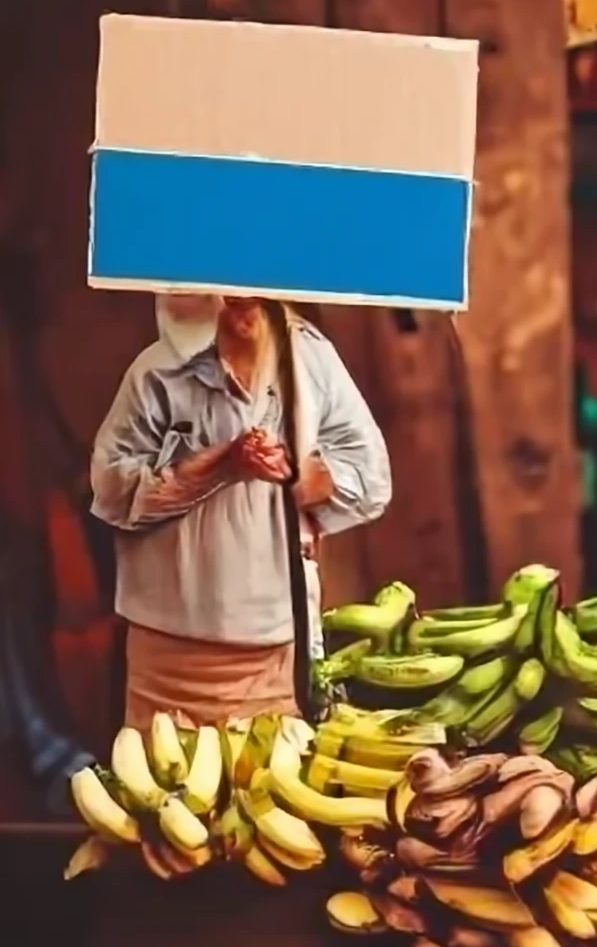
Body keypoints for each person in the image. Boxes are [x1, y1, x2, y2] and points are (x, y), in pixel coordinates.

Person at [91, 295, 391, 728]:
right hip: (169, 654)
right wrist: (216, 468)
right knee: (164, 781)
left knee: (271, 778)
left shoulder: (310, 360)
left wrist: (302, 473)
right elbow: (111, 488)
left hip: (273, 647)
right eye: (223, 291)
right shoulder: (157, 371)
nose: (239, 301)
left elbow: (370, 478)